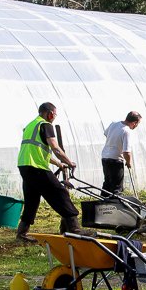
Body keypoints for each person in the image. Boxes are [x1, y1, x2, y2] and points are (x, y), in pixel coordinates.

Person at [15, 102, 89, 242]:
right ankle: (74, 229)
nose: (54, 117)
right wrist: (69, 162)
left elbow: (38, 151)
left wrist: (58, 164)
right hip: (37, 168)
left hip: (25, 166)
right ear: (50, 114)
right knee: (59, 193)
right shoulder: (45, 125)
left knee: (32, 199)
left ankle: (21, 233)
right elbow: (55, 148)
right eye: (54, 114)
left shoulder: (31, 125)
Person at [101, 111, 142, 196]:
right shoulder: (126, 131)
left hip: (105, 157)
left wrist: (114, 142)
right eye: (138, 124)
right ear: (134, 123)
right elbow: (126, 152)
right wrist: (128, 162)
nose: (136, 126)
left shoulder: (114, 124)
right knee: (117, 187)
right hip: (115, 160)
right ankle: (116, 206)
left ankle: (102, 205)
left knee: (107, 184)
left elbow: (106, 134)